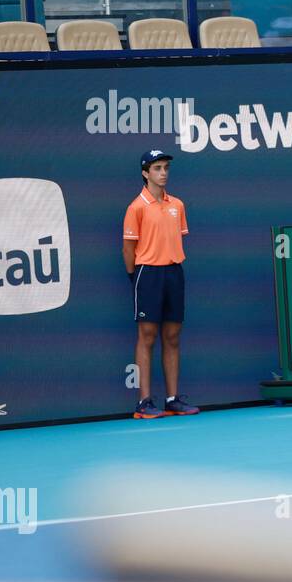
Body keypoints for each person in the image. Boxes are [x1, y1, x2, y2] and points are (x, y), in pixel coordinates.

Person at [123, 149, 199, 419]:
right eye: (157, 168)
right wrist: (137, 278)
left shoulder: (177, 205)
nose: (163, 173)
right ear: (145, 173)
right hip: (148, 274)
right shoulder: (136, 208)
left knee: (172, 336)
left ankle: (172, 399)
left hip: (174, 273)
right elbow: (128, 249)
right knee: (147, 336)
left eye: (166, 167)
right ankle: (143, 402)